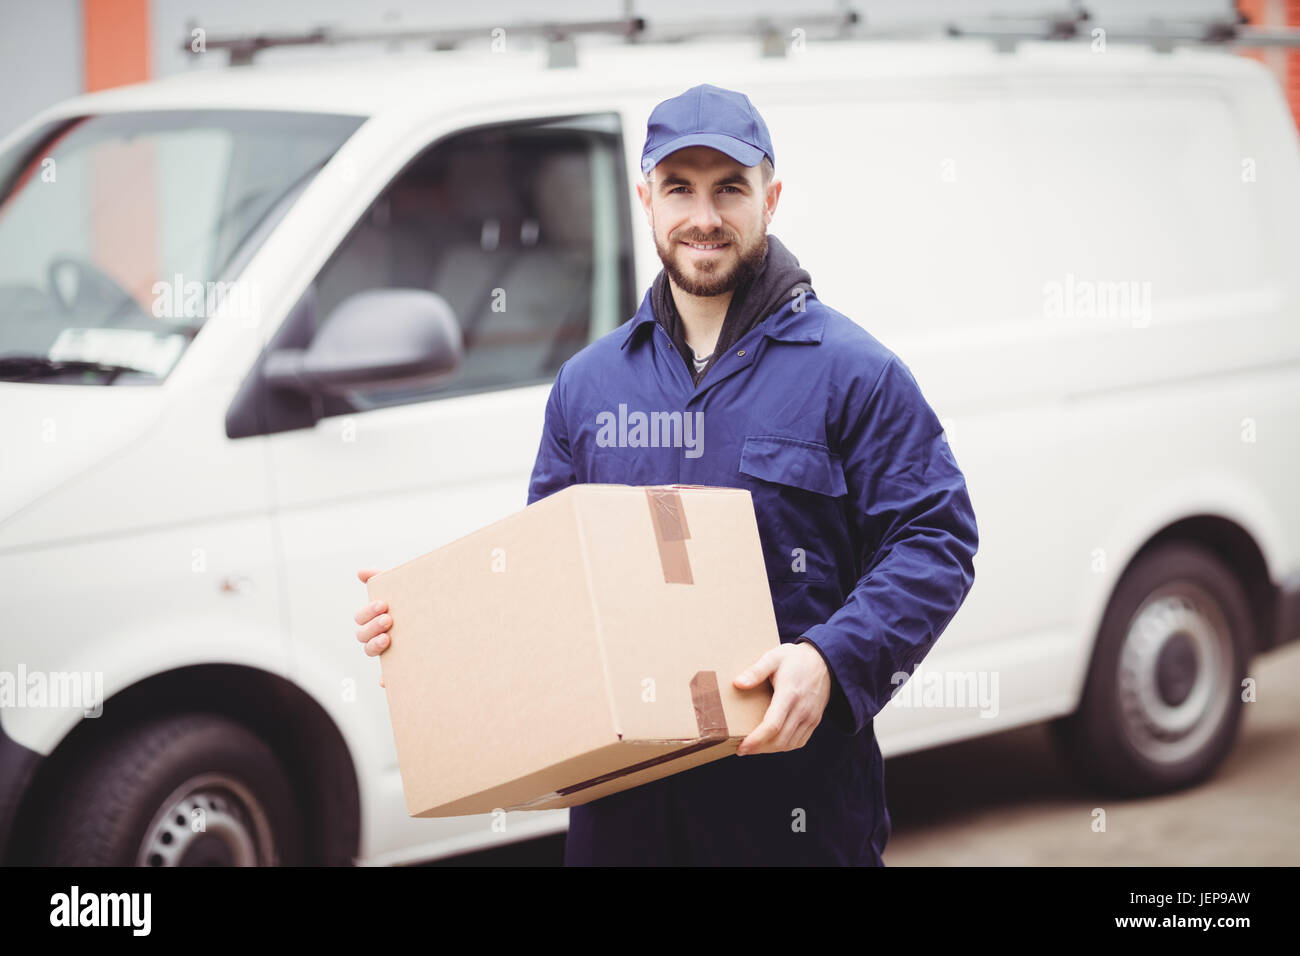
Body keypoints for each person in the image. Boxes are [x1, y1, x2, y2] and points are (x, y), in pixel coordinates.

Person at [356, 83, 979, 866]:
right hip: (622, 825)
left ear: (771, 198)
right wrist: (430, 632)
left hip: (793, 816)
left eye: (730, 189)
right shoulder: (588, 386)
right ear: (645, 198)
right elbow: (549, 595)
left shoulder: (854, 374)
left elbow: (937, 541)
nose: (705, 217)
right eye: (680, 188)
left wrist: (831, 660)